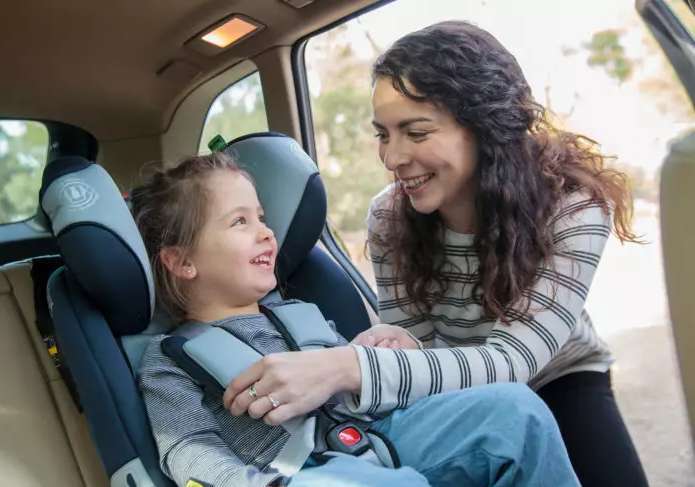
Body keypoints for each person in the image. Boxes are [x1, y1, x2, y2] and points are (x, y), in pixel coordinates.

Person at [132, 152, 581, 487]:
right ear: (182, 261)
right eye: (239, 222)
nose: (265, 231)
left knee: (513, 409)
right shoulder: (171, 358)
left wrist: (377, 354)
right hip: (296, 470)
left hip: (380, 430)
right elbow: (186, 447)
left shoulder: (300, 313)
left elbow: (354, 385)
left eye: (262, 218)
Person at [354, 20, 647, 487]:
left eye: (415, 131)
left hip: (560, 374)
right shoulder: (389, 219)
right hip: (455, 384)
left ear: (482, 125)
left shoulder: (573, 206)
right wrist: (395, 349)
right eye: (383, 134)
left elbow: (513, 362)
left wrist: (350, 370)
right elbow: (414, 352)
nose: (391, 158)